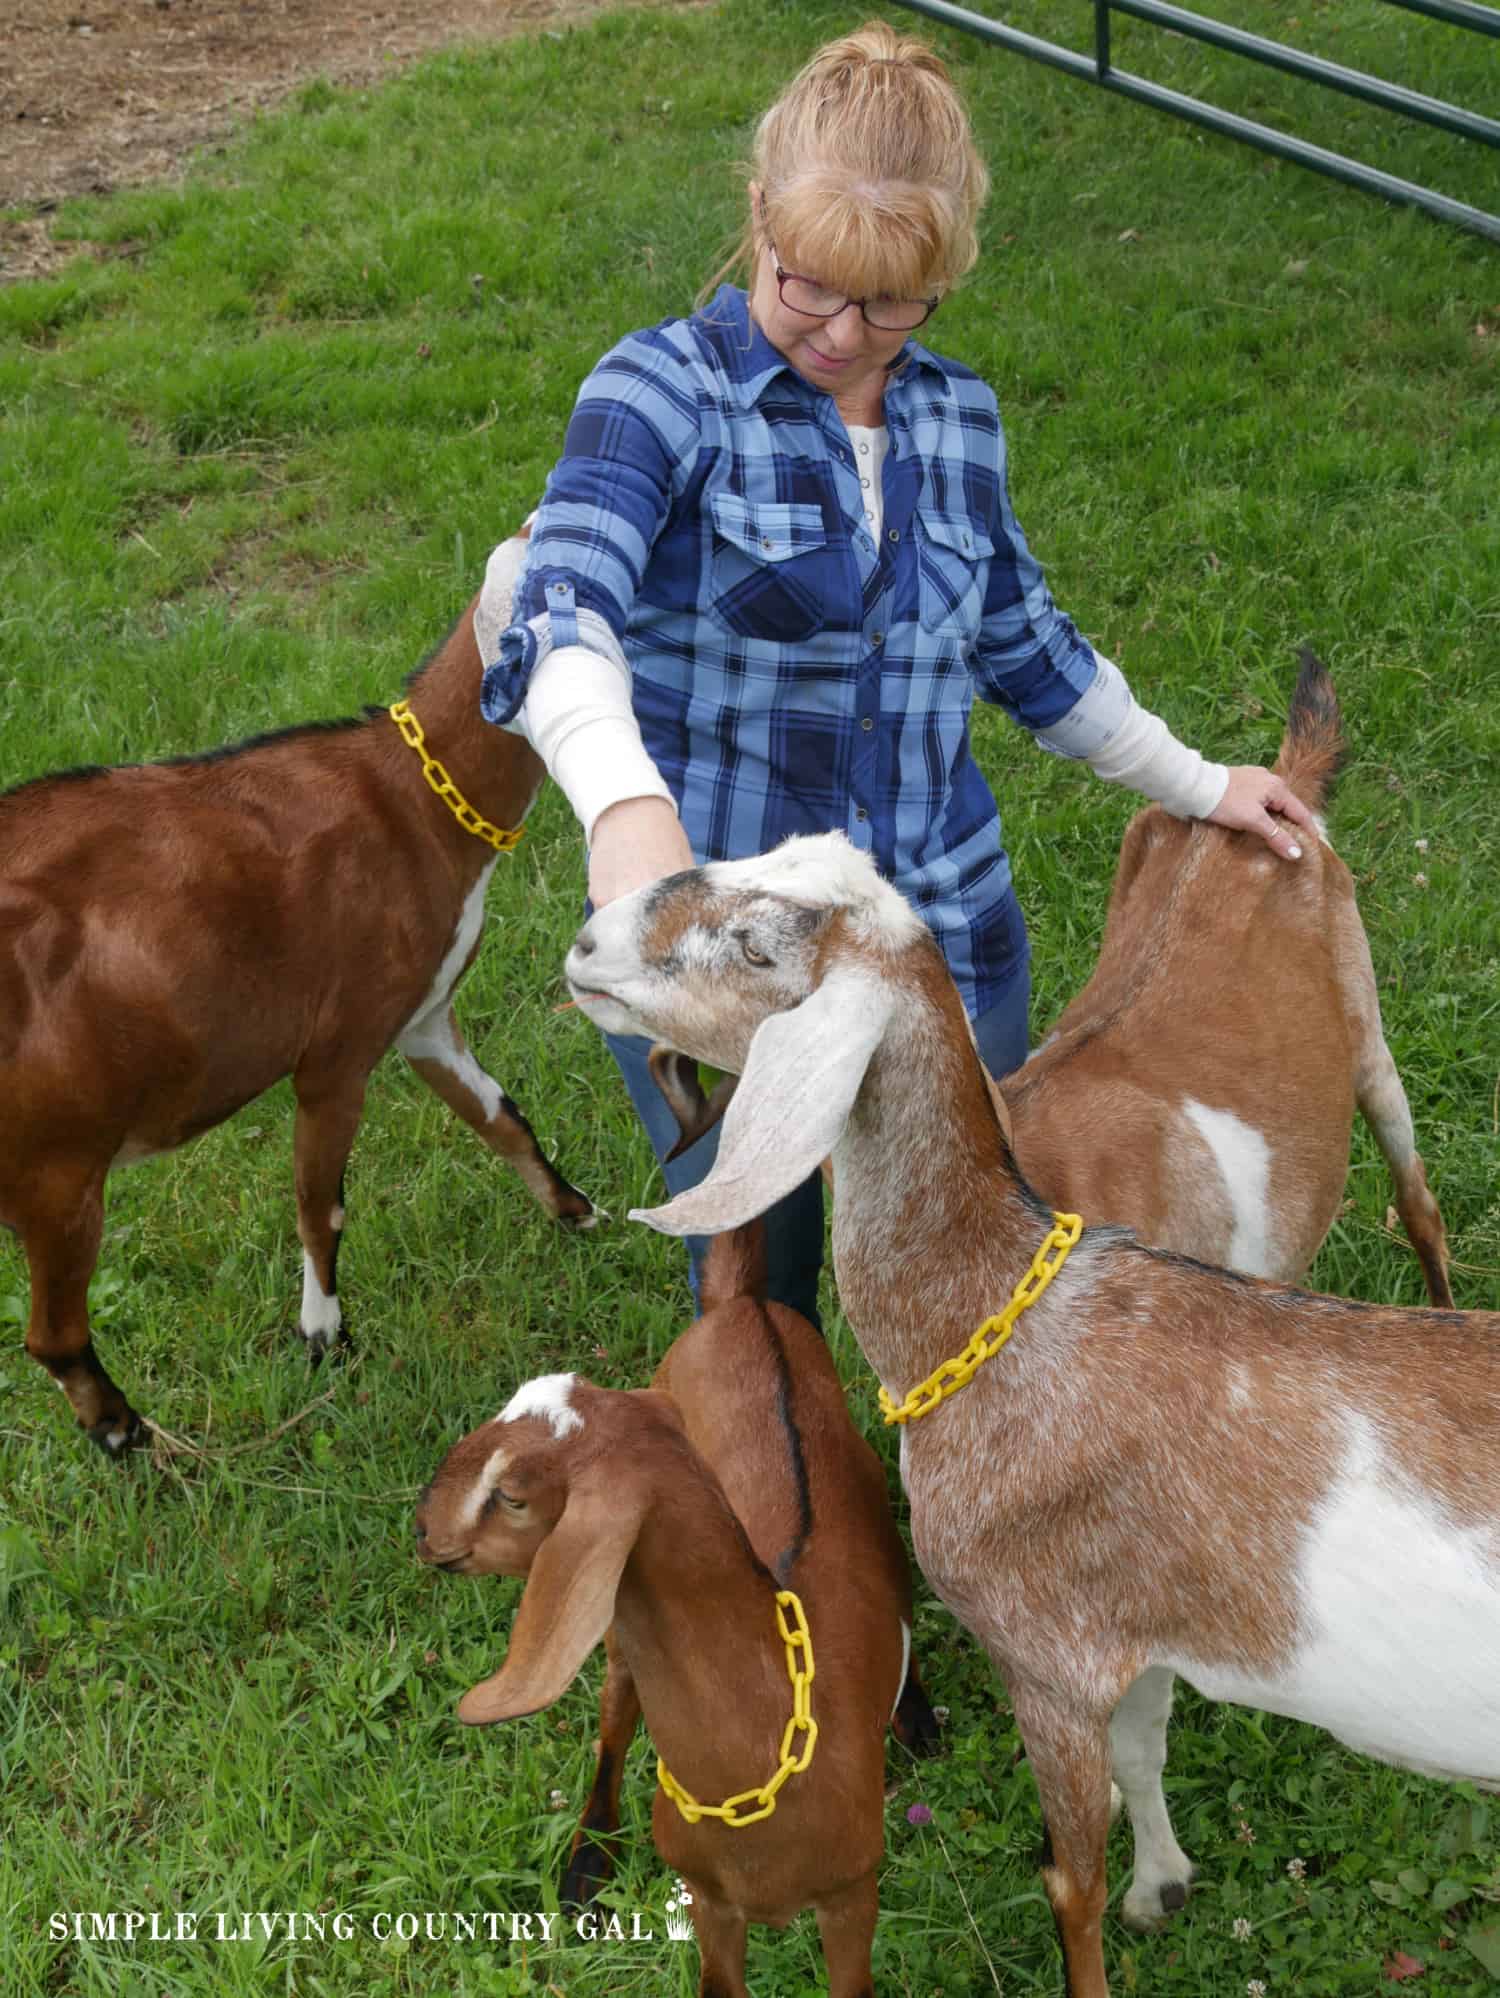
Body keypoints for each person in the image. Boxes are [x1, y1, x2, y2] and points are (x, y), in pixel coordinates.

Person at [475, 21, 1314, 1327]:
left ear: (946, 280)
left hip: (953, 946)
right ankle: (783, 1507)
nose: (839, 330)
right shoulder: (661, 396)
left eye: (889, 304)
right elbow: (553, 599)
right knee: (764, 1284)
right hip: (739, 952)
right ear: (759, 214)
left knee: (974, 1257)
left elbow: (1031, 650)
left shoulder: (957, 419)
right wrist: (631, 812)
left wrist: (1204, 783)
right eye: (806, 280)